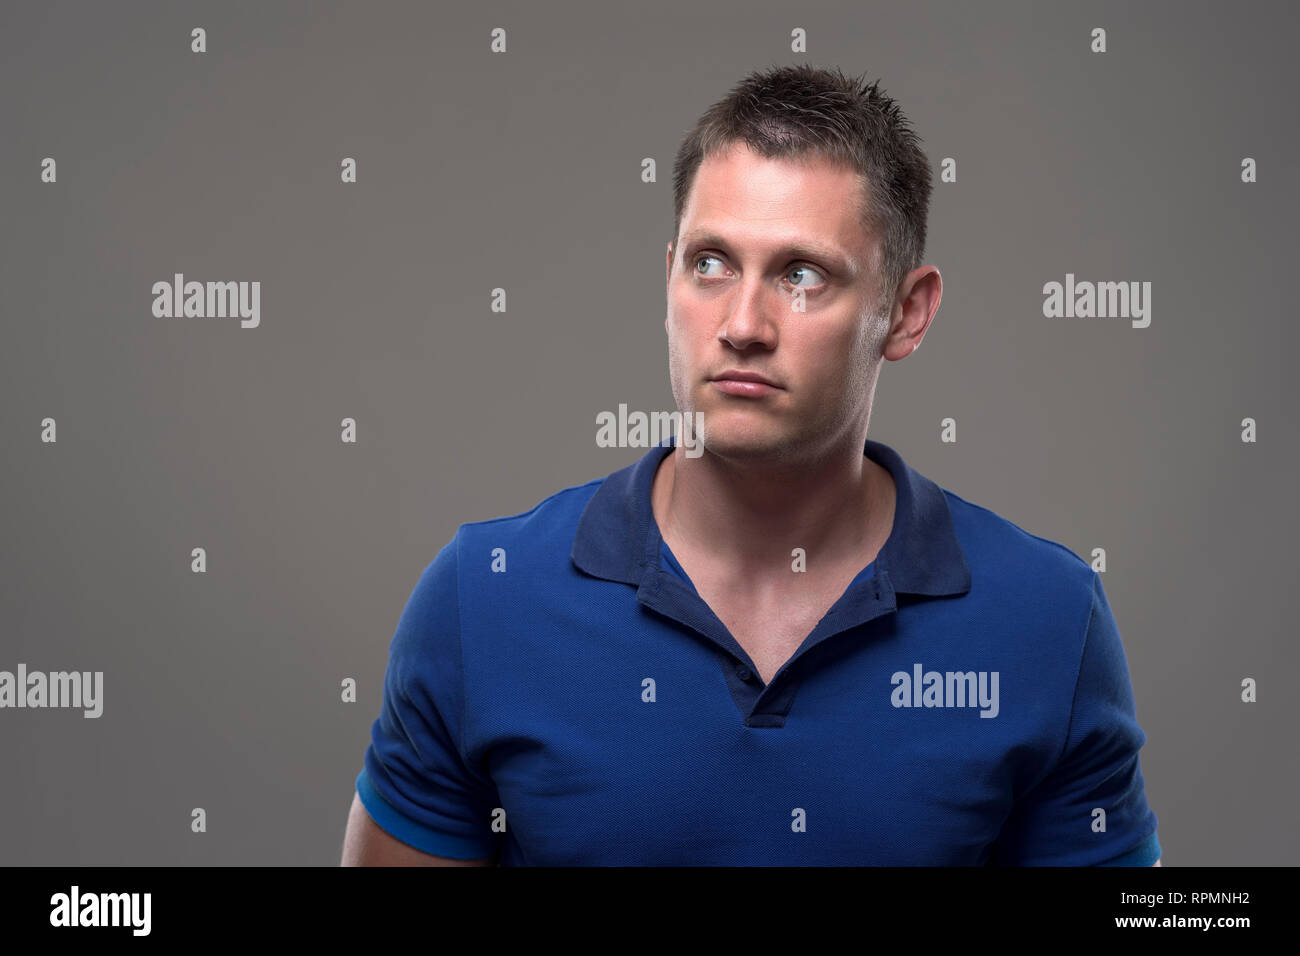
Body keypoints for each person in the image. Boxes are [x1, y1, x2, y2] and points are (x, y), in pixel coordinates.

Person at [340, 64, 1161, 866]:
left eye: (801, 276)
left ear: (905, 315)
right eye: (711, 264)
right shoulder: (481, 600)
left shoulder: (1050, 624)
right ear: (668, 278)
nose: (742, 323)